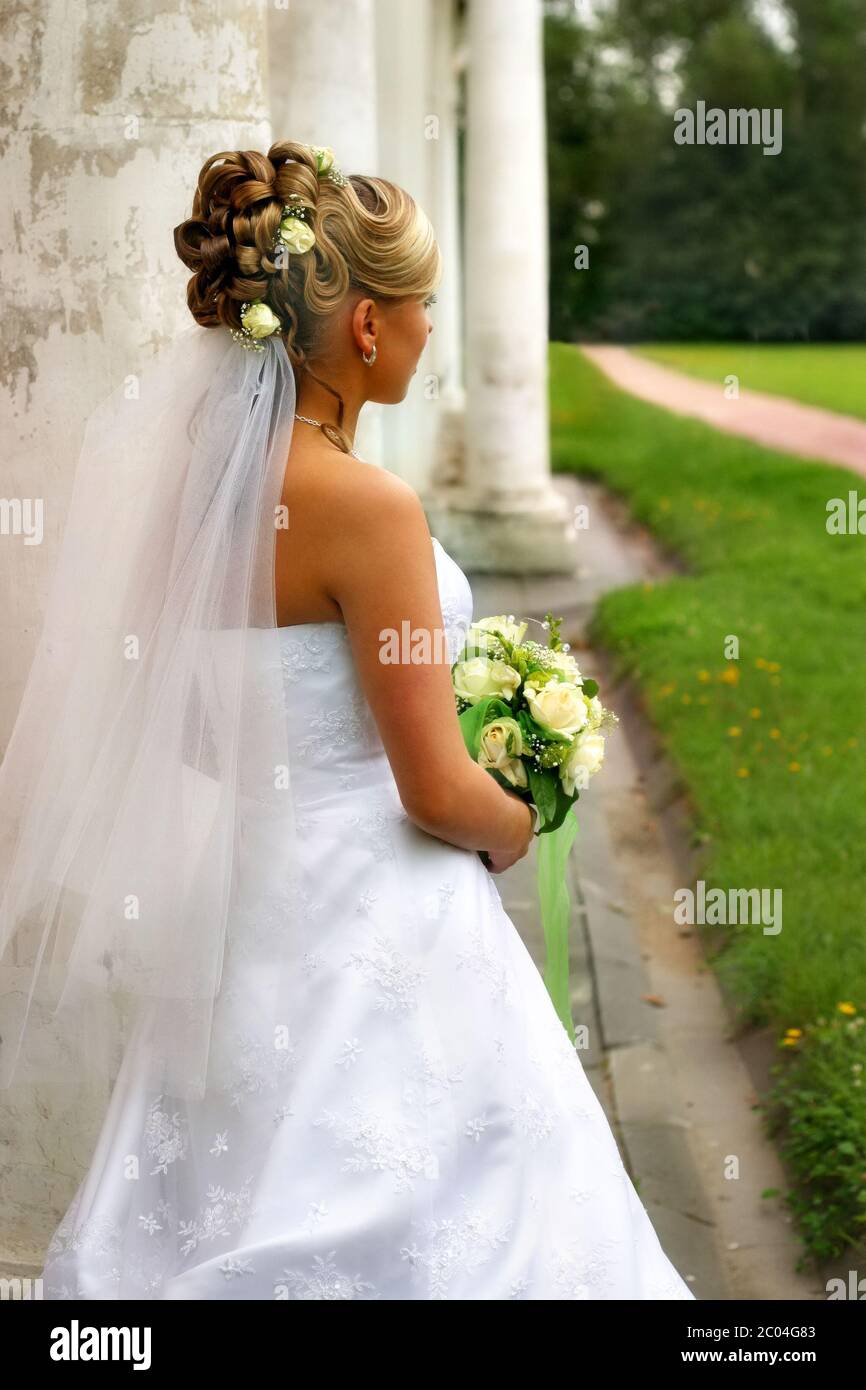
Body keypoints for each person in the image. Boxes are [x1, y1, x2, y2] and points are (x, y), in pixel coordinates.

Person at [2, 141, 695, 1299]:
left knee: (218, 1198)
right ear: (367, 327)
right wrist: (515, 813)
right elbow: (430, 789)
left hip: (241, 908)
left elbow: (175, 716)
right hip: (387, 921)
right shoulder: (368, 508)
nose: (432, 330)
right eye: (422, 305)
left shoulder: (195, 494)